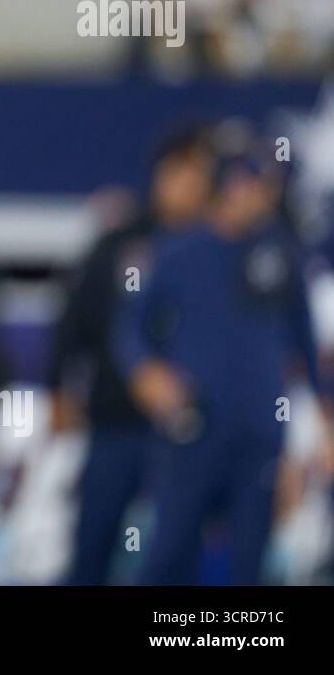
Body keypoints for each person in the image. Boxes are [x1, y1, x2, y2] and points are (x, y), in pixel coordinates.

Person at [117, 124, 323, 585]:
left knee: (250, 562)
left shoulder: (280, 253)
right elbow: (132, 328)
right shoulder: (179, 252)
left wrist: (325, 420)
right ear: (229, 183)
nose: (260, 193)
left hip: (259, 435)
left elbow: (305, 343)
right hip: (193, 429)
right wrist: (146, 373)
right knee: (168, 553)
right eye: (251, 180)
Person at [50, 125, 215, 584]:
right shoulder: (120, 242)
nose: (190, 184)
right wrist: (56, 391)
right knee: (94, 539)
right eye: (180, 171)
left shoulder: (218, 249)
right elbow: (75, 321)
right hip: (116, 418)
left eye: (200, 173)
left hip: (191, 427)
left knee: (177, 549)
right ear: (161, 173)